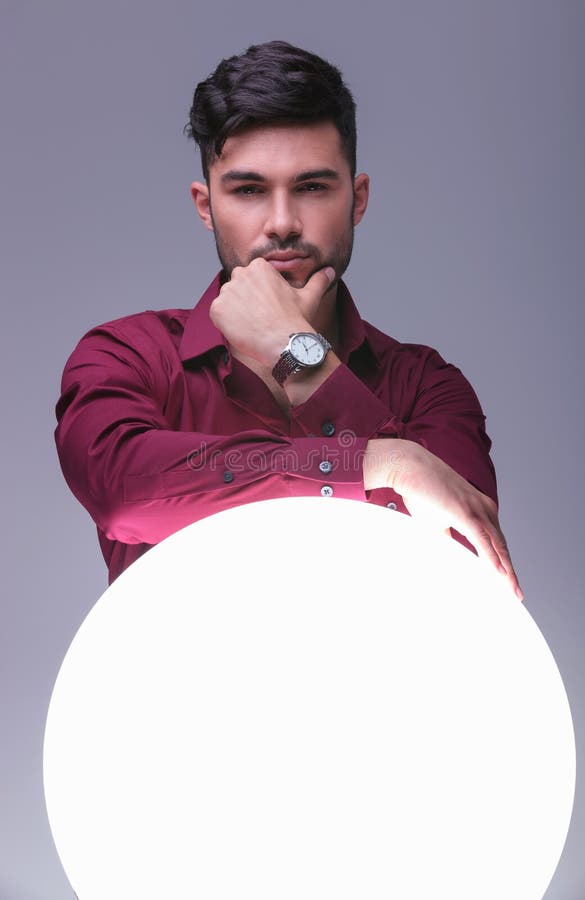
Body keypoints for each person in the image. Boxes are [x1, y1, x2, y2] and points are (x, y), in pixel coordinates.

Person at [55, 40, 522, 600]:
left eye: (312, 187)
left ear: (358, 198)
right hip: (173, 687)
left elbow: (459, 565)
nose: (281, 222)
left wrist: (296, 353)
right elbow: (124, 494)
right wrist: (380, 460)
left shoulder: (427, 387)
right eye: (249, 190)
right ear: (206, 206)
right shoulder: (128, 356)